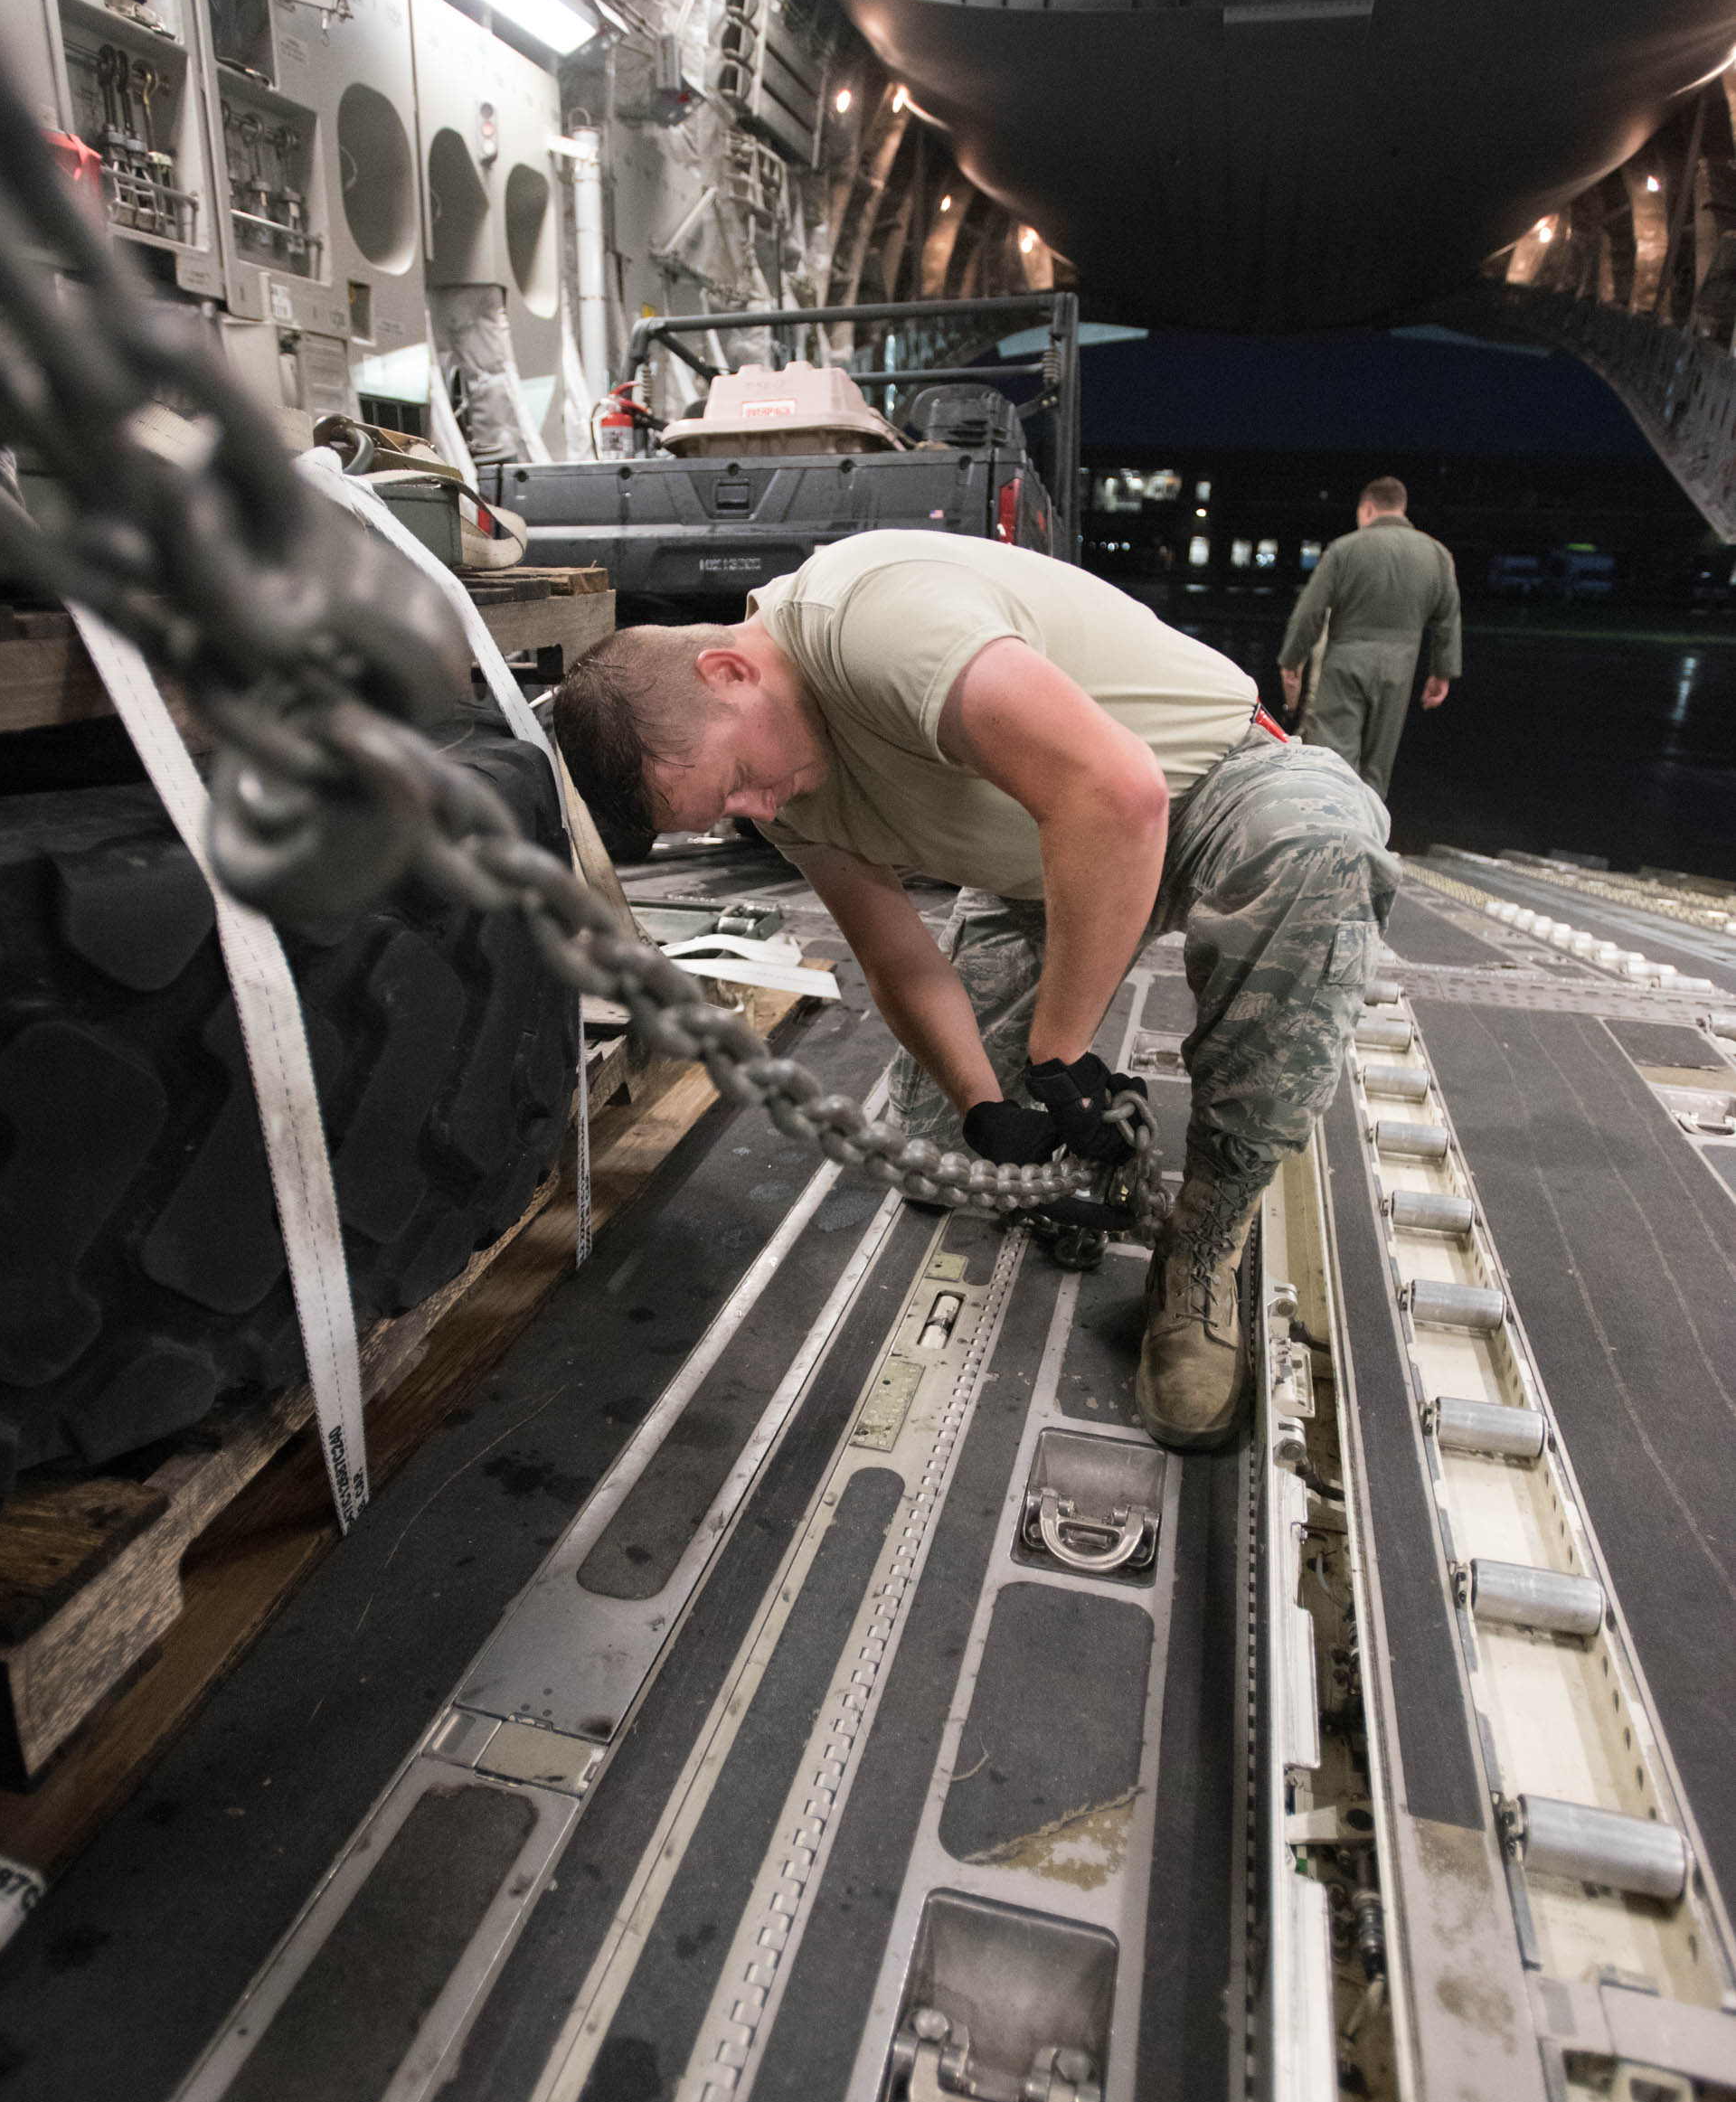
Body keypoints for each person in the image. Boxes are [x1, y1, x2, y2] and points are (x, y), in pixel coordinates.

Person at [552, 531, 1398, 1454]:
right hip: (1042, 866)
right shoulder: (776, 780)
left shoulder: (871, 619)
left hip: (1207, 789)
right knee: (945, 1154)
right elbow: (895, 954)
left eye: (739, 785)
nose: (754, 813)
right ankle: (1061, 1129)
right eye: (725, 814)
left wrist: (1059, 1054)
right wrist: (986, 1108)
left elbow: (1117, 793)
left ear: (727, 671)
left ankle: (1201, 1244)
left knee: (1315, 849)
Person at [1278, 476, 1460, 798]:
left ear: (1367, 508)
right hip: (1400, 669)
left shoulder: (1345, 549)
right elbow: (1447, 618)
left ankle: (1332, 830)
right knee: (1378, 766)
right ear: (1401, 508)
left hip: (1345, 664)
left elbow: (1310, 612)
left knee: (1333, 757)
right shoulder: (1437, 554)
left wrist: (1292, 659)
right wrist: (1442, 672)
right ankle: (1371, 833)